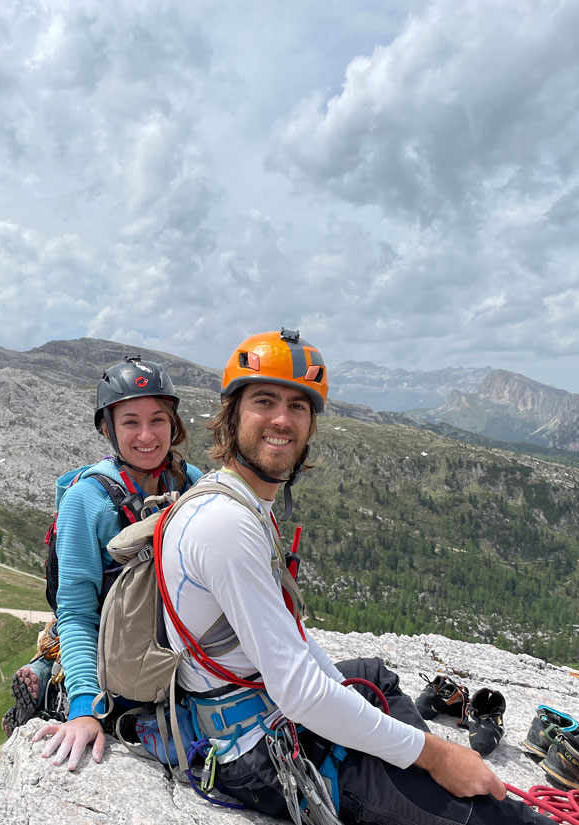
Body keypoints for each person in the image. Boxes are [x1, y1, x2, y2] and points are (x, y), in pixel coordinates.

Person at [158, 328, 551, 824]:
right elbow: (299, 693)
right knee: (496, 819)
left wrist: (410, 745)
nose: (282, 419)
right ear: (231, 414)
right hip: (252, 750)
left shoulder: (235, 498)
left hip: (250, 703)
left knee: (374, 676)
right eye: (264, 401)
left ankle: (414, 780)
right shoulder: (226, 525)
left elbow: (297, 651)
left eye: (299, 407)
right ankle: (440, 800)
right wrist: (435, 754)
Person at [1, 356, 203, 769]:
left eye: (158, 420)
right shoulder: (85, 501)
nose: (146, 435)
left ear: (174, 423)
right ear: (107, 428)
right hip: (112, 645)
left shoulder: (189, 482)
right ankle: (54, 682)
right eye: (130, 422)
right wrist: (83, 710)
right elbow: (76, 611)